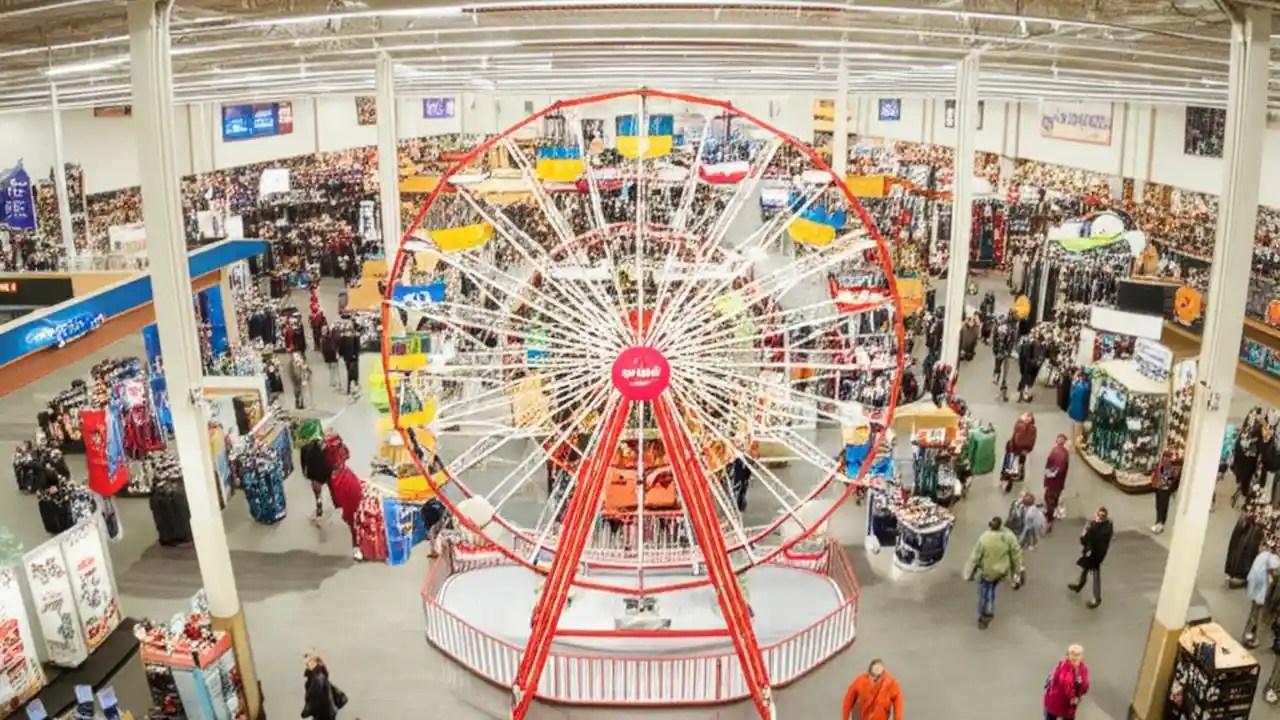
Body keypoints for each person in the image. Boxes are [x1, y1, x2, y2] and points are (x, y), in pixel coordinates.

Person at [964, 516, 1024, 629]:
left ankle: (983, 615)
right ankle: (990, 610)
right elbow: (1016, 553)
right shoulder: (1008, 537)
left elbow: (975, 558)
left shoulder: (984, 538)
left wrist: (969, 574)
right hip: (1000, 571)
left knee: (983, 593)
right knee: (992, 589)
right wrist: (1018, 571)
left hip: (987, 571)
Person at [1069, 507, 1113, 608]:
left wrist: (1085, 531)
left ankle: (1096, 598)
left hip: (1093, 553)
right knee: (1086, 567)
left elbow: (1084, 539)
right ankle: (1079, 585)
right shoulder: (1108, 526)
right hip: (1100, 553)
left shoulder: (1094, 528)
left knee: (1095, 573)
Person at [1244, 545, 1280, 647]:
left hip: (1255, 584)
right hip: (1260, 587)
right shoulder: (1273, 561)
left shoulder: (1263, 556)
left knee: (1254, 610)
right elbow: (1273, 573)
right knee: (1257, 611)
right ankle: (1252, 637)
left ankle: (1248, 635)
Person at [1043, 644, 1090, 719]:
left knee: (1050, 715)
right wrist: (1076, 697)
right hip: (1067, 705)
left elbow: (1057, 681)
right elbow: (1084, 685)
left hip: (1053, 701)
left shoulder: (1062, 665)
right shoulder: (1082, 668)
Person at [301, 652, 346, 720]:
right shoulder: (321, 677)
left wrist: (306, 711)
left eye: (310, 661)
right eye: (306, 662)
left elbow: (314, 697)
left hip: (322, 715)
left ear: (316, 662)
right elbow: (342, 698)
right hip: (327, 714)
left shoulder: (317, 678)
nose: (307, 664)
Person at [1151, 450, 1183, 534]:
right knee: (1158, 506)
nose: (1164, 458)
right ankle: (1158, 521)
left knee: (1162, 506)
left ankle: (1160, 523)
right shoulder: (1162, 463)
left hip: (1164, 488)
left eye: (1166, 457)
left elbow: (1167, 478)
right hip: (1159, 487)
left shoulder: (1168, 465)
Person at [1043, 433, 1069, 531]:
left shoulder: (1057, 452)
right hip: (1058, 482)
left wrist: (1048, 476)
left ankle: (1049, 520)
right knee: (1053, 499)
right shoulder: (1064, 453)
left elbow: (1056, 469)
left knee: (1050, 500)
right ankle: (1051, 514)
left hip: (1053, 482)